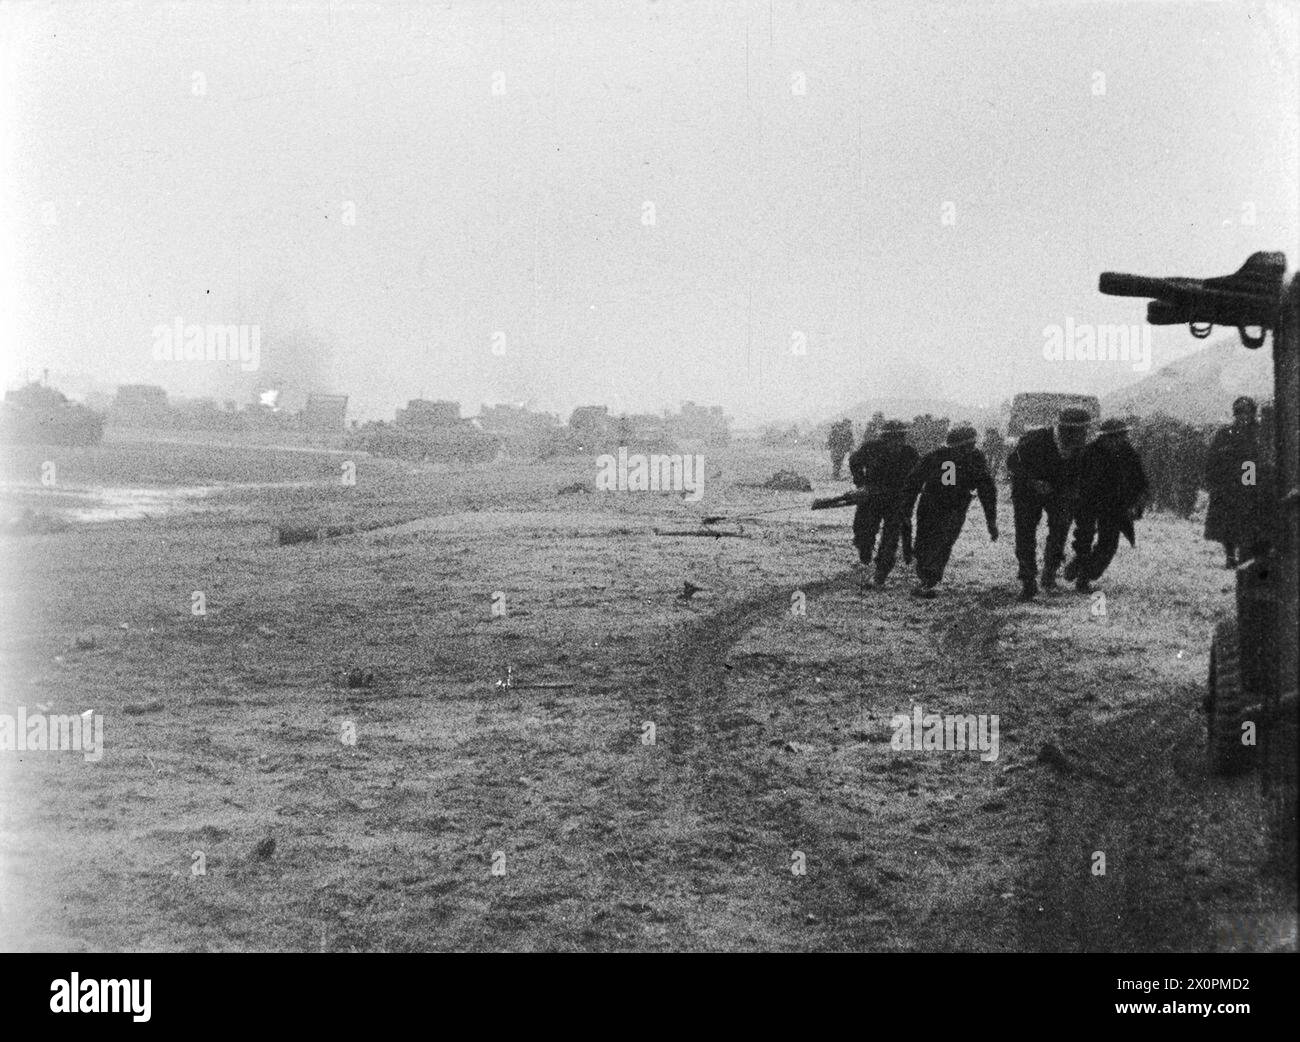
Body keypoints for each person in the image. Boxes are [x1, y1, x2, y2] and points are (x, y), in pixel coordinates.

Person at [899, 425, 998, 598]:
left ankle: (929, 578)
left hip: (954, 506)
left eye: (971, 446)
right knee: (925, 542)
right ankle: (926, 573)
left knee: (943, 542)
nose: (969, 449)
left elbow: (986, 488)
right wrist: (906, 510)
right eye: (966, 446)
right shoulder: (937, 457)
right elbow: (913, 483)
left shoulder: (975, 458)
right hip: (933, 504)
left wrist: (991, 520)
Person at [1006, 407, 1091, 601]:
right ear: (1067, 430)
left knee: (1061, 528)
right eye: (1081, 431)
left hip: (1058, 491)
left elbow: (1079, 474)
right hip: (1027, 491)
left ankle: (1050, 571)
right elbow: (1012, 463)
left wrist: (1075, 490)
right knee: (1025, 533)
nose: (1085, 435)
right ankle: (1028, 580)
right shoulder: (1035, 440)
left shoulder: (1080, 449)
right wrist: (1033, 481)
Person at [1065, 419, 1150, 592]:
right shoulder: (1088, 453)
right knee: (1084, 539)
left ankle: (1085, 576)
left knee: (1109, 545)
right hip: (1087, 502)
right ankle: (1078, 563)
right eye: (1117, 437)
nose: (1120, 440)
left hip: (1113, 506)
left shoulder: (1128, 454)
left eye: (1122, 437)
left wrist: (1137, 502)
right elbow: (1073, 479)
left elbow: (1139, 480)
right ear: (1106, 438)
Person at [847, 420, 919, 585]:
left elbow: (920, 472)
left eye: (900, 437)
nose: (896, 442)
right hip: (872, 497)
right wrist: (861, 483)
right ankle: (865, 551)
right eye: (892, 438)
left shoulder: (910, 453)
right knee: (863, 531)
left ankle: (881, 573)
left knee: (890, 538)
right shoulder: (870, 448)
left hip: (897, 501)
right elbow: (854, 461)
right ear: (884, 438)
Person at [1204, 396, 1260, 568]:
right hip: (1227, 482)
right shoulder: (1225, 432)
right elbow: (1213, 457)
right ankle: (1230, 555)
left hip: (1248, 475)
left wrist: (1249, 484)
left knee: (1247, 518)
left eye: (1247, 413)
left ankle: (1245, 555)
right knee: (1227, 521)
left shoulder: (1259, 431)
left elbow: (1253, 460)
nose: (1244, 417)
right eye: (1240, 413)